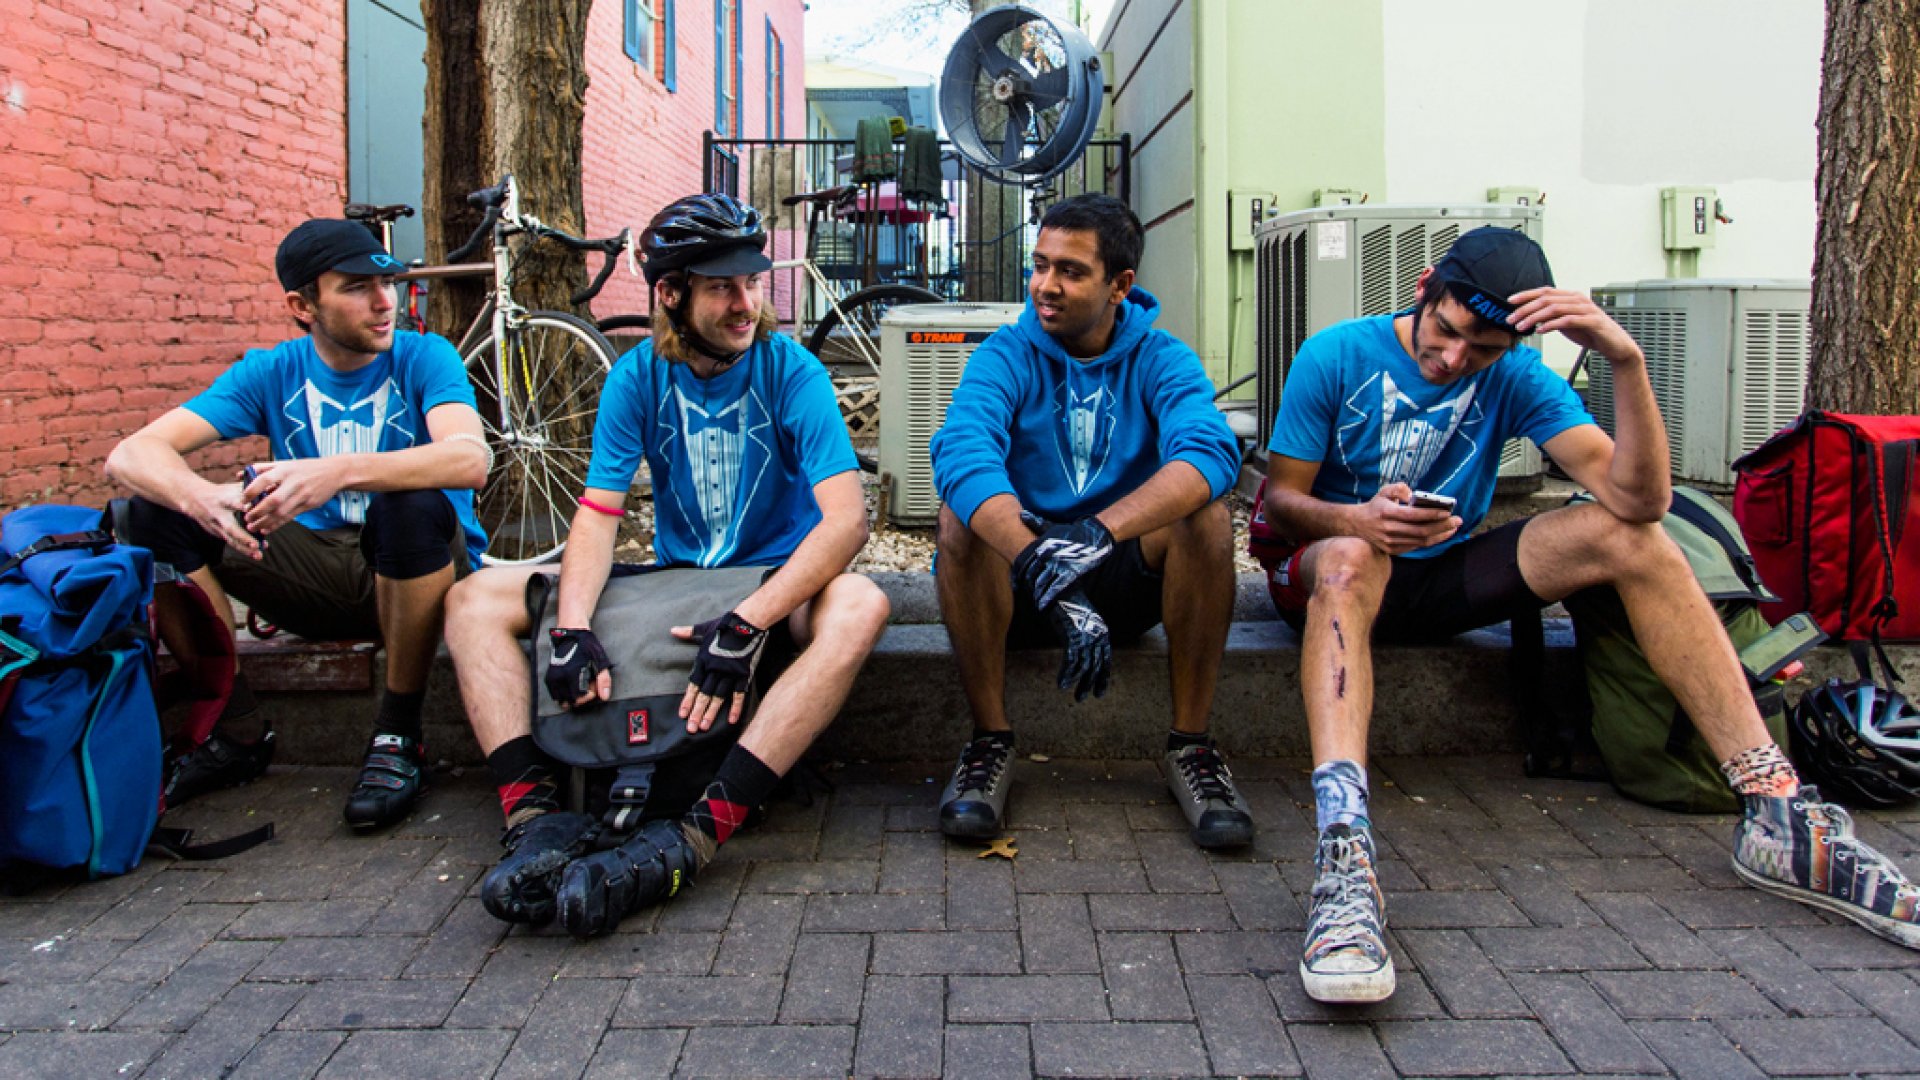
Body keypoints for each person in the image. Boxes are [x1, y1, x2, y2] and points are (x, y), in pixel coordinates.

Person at [1257, 226, 1920, 1005]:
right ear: (1423, 286)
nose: (1454, 360)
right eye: (1447, 333)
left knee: (1626, 535)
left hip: (1441, 579)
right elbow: (1282, 504)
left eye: (1483, 348)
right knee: (1347, 559)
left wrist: (1623, 359)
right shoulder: (1336, 354)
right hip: (1328, 574)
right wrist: (1359, 519)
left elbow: (1643, 500)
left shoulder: (1520, 377)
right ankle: (1343, 849)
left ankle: (1778, 815)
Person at [444, 193, 889, 937]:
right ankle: (535, 821)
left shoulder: (792, 372)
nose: (746, 302)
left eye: (752, 281)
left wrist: (750, 624)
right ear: (670, 293)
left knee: (864, 605)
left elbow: (847, 521)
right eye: (722, 286)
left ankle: (696, 834)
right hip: (679, 581)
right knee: (474, 600)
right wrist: (574, 629)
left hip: (771, 586)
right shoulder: (637, 376)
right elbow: (598, 512)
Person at [105, 218, 489, 829]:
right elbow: (130, 455)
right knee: (147, 512)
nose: (385, 301)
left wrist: (337, 471)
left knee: (409, 503)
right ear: (302, 304)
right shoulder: (271, 372)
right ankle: (234, 729)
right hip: (313, 573)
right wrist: (201, 496)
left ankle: (398, 736)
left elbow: (470, 459)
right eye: (357, 287)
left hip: (426, 575)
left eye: (387, 283)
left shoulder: (424, 356)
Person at [929, 193, 1250, 851]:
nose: (1046, 285)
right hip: (1019, 589)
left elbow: (1212, 450)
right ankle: (990, 743)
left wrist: (1096, 534)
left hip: (1118, 579)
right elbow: (961, 451)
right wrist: (1039, 561)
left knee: (1207, 518)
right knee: (959, 519)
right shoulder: (1005, 354)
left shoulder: (1163, 358)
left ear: (1119, 285)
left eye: (1070, 271)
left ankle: (1190, 747)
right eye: (1039, 264)